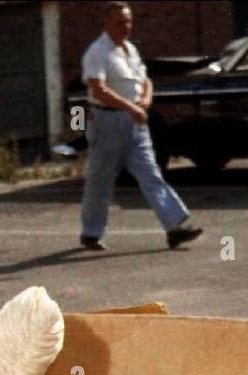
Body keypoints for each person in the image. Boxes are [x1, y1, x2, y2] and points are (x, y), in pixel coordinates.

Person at [79, 2, 203, 251]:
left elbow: (145, 79)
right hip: (107, 122)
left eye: (128, 21)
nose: (126, 27)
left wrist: (145, 101)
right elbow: (98, 89)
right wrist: (131, 108)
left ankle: (174, 227)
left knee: (151, 174)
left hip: (134, 123)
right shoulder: (98, 51)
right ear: (106, 23)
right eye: (120, 22)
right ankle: (91, 232)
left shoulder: (130, 50)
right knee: (101, 180)